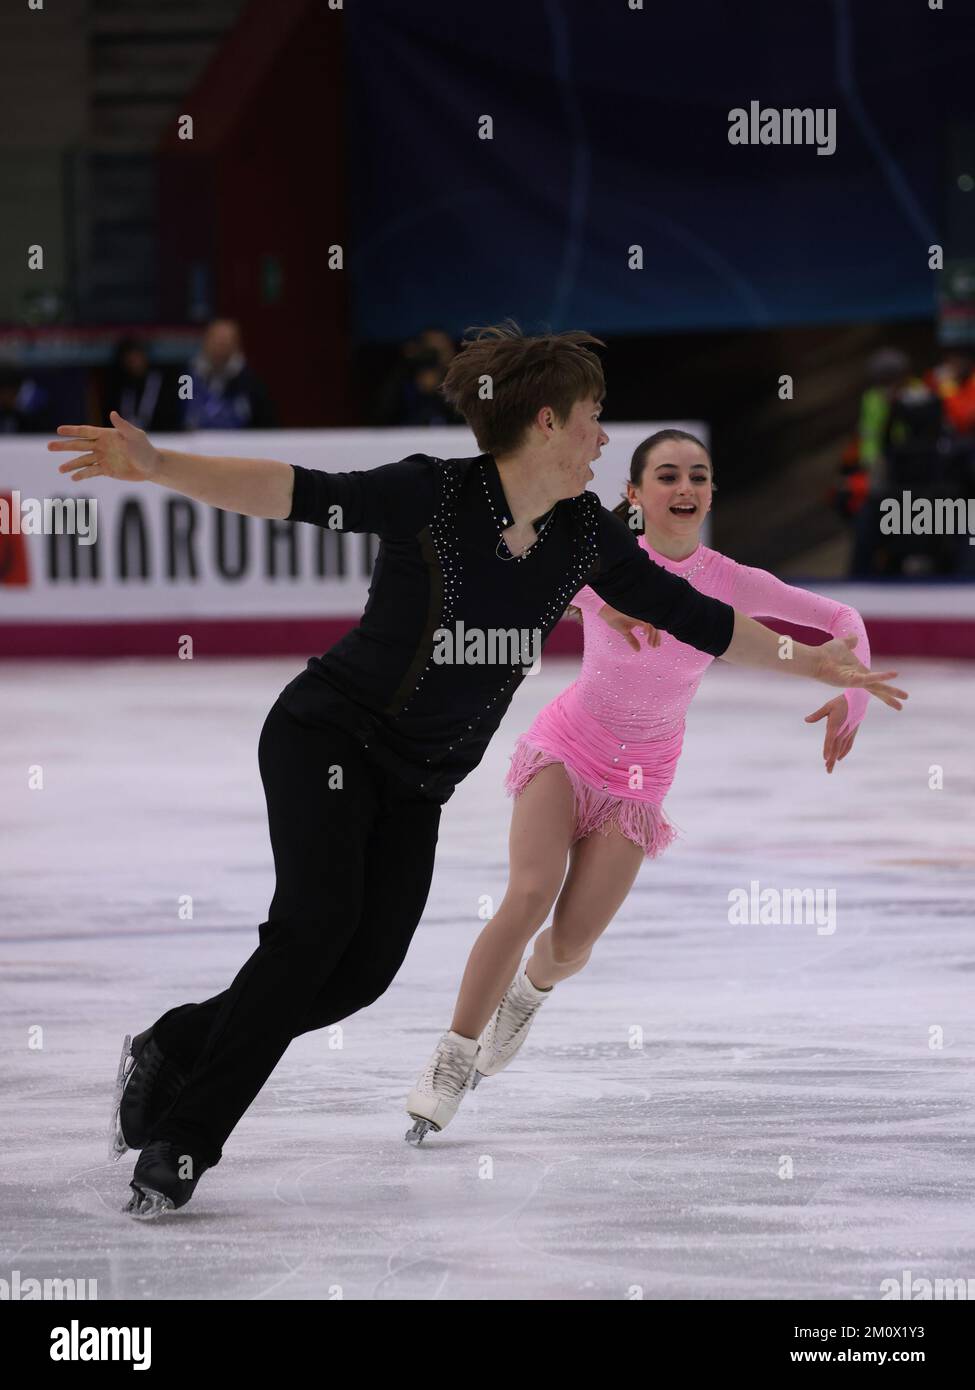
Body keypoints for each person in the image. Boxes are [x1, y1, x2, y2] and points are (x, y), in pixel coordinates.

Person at [48, 323, 905, 1218]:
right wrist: (157, 466)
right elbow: (297, 492)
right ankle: (185, 1142)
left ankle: (174, 1043)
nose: (602, 439)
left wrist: (813, 662)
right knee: (313, 932)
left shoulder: (583, 535)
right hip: (328, 740)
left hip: (419, 781)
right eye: (593, 420)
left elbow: (698, 615)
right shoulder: (433, 493)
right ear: (545, 423)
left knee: (359, 974)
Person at [405, 429, 888, 1140]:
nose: (683, 487)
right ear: (634, 494)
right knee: (529, 891)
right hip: (568, 746)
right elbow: (519, 571)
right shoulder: (604, 556)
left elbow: (840, 622)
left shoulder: (729, 581)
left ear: (712, 491)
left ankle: (528, 994)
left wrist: (853, 698)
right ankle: (452, 1056)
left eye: (696, 474)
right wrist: (591, 603)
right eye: (666, 475)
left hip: (639, 780)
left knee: (568, 946)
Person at [182, 318, 277, 430]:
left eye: (226, 341)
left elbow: (267, 427)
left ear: (236, 345)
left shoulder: (251, 384)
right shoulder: (184, 379)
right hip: (189, 446)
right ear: (205, 341)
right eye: (216, 340)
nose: (220, 346)